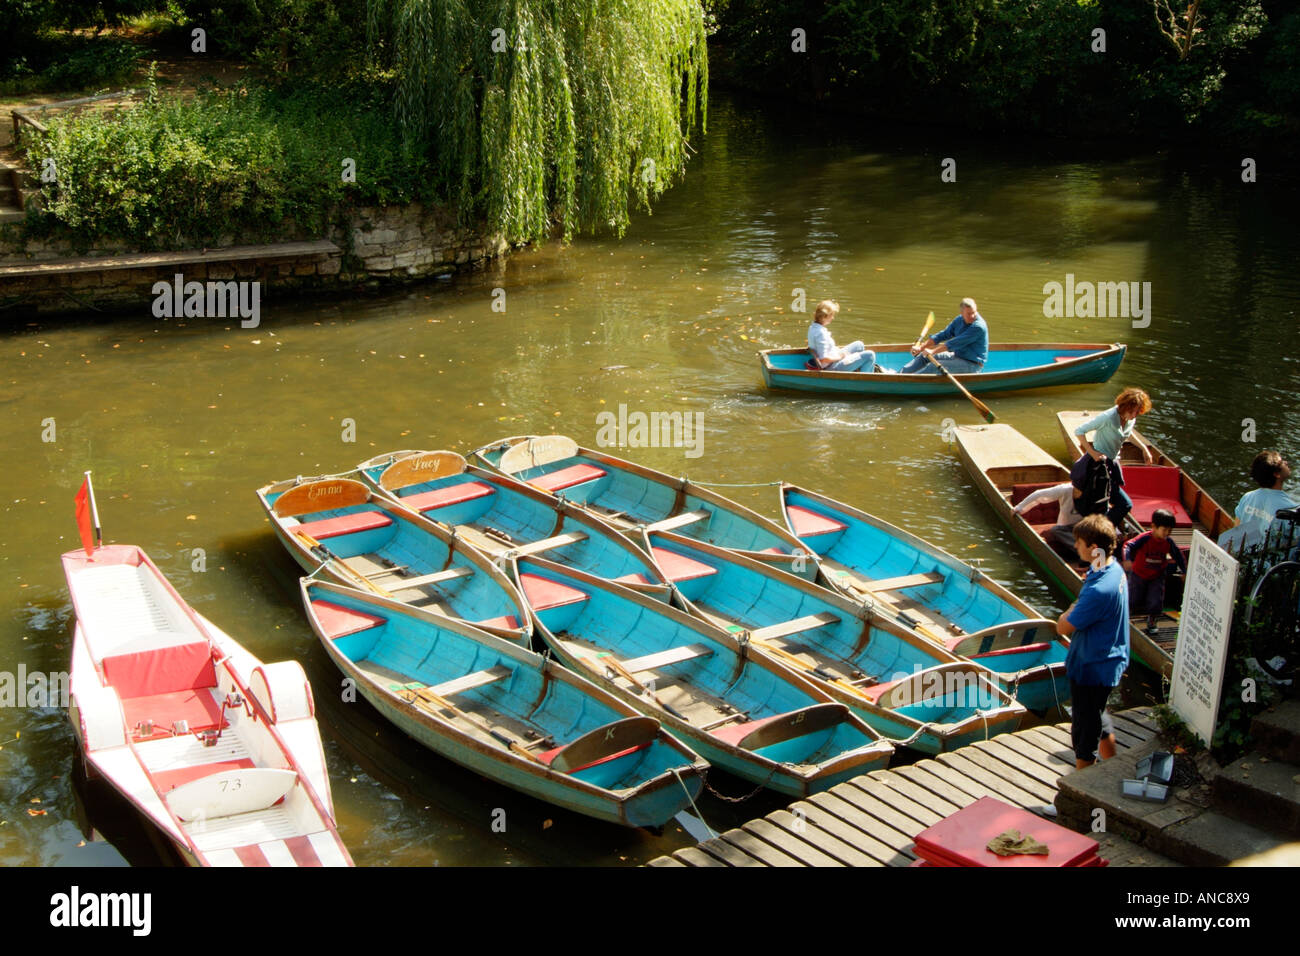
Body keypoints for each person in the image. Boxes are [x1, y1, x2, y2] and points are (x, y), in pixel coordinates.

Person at [1056, 514, 1129, 770]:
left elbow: (1063, 625)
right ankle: (1112, 770)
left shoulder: (1099, 590)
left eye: (1079, 542)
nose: (1075, 546)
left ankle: (1081, 792)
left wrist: (1067, 612)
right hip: (1108, 662)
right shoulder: (1112, 569)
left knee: (1084, 732)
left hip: (1092, 667)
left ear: (1093, 548)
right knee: (1099, 716)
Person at [1069, 387, 1154, 529]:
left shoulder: (1130, 419)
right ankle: (1096, 530)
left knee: (1115, 503)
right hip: (1097, 463)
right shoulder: (1107, 417)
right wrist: (1092, 452)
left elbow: (1127, 434)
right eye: (1132, 411)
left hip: (1112, 463)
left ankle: (1097, 529)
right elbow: (1079, 431)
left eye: (1137, 412)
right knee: (1124, 503)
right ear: (1124, 406)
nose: (1134, 415)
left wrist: (1144, 448)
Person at [1123, 508, 1186, 635]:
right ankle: (1125, 617)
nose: (1167, 533)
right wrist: (1127, 559)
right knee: (1133, 597)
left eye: (1170, 531)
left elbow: (1178, 556)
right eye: (1164, 530)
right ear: (1154, 527)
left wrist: (1184, 571)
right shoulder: (1145, 538)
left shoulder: (1168, 542)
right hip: (1139, 573)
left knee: (1156, 600)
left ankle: (1152, 620)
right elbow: (1128, 545)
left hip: (1157, 575)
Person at [899, 297, 988, 375]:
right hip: (958, 356)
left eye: (974, 312)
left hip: (972, 365)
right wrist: (921, 348)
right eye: (969, 314)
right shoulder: (958, 320)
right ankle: (899, 375)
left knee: (934, 366)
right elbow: (942, 335)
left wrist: (932, 351)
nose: (972, 316)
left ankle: (909, 381)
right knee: (923, 356)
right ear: (961, 313)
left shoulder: (978, 326)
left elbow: (954, 343)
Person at [1230, 451, 1296, 550]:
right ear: (1277, 474)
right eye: (1282, 462)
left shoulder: (1247, 497)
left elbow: (1236, 531)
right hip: (1274, 564)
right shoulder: (1290, 508)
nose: (1286, 462)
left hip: (1244, 559)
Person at [1013, 482, 1083, 559]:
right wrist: (1019, 508)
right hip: (1065, 528)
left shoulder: (1094, 493)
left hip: (1084, 527)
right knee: (1056, 530)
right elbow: (1039, 494)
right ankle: (1083, 551)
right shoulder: (1065, 489)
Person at [806, 299, 879, 372]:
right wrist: (840, 357)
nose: (832, 318)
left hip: (834, 357)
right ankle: (865, 380)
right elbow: (824, 359)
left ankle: (858, 368)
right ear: (825, 316)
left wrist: (839, 354)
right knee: (870, 355)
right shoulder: (821, 333)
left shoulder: (813, 327)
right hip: (832, 367)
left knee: (859, 345)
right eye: (831, 315)